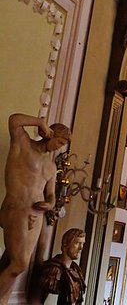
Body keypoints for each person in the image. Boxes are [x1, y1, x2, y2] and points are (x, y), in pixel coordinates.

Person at [0, 114, 71, 299]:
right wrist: (40, 122)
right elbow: (14, 121)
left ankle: (3, 300)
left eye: (63, 145)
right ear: (50, 134)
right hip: (17, 207)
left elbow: (51, 195)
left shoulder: (52, 166)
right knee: (19, 263)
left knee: (11, 263)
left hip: (36, 215)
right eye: (59, 142)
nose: (59, 147)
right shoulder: (24, 144)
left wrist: (49, 204)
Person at [38, 228, 86, 305]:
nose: (81, 248)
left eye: (83, 243)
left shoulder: (76, 269)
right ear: (65, 244)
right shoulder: (53, 269)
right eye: (77, 243)